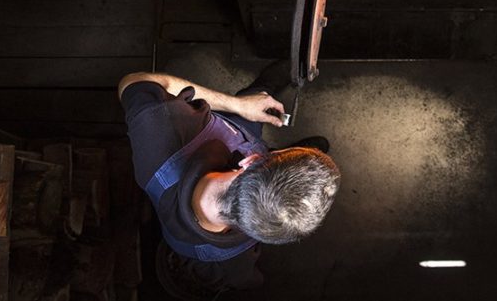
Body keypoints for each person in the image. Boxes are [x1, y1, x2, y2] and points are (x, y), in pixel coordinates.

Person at [118, 66, 340, 299]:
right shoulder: (237, 256)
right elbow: (250, 280)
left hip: (233, 148)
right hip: (246, 165)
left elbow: (133, 82)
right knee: (260, 97)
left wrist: (237, 105)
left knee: (252, 100)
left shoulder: (159, 136)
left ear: (250, 159)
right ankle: (268, 87)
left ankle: (263, 100)